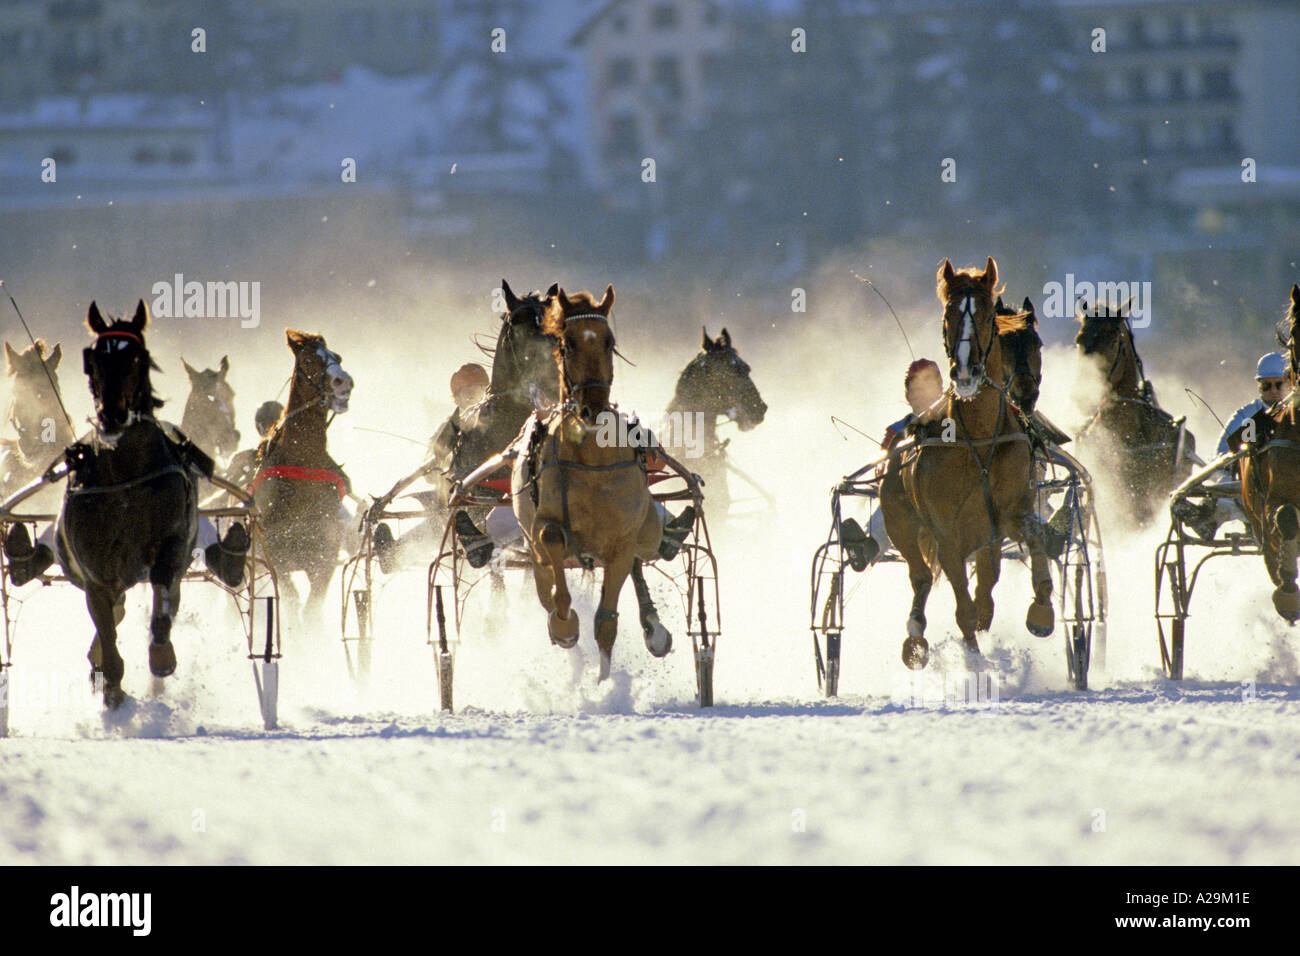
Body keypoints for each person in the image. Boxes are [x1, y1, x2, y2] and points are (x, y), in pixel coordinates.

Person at [1175, 351, 1294, 540]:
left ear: (1290, 383)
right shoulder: (1247, 416)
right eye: (1266, 385)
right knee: (1228, 482)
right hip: (1254, 486)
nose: (1273, 390)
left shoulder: (1295, 415)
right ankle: (1207, 519)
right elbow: (1221, 455)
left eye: (1279, 384)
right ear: (1259, 387)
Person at [839, 359, 944, 571]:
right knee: (891, 504)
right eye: (914, 390)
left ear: (939, 389)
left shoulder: (949, 422)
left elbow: (951, 451)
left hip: (945, 495)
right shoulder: (897, 430)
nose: (919, 395)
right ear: (907, 396)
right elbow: (882, 468)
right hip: (908, 499)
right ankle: (869, 547)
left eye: (926, 387)